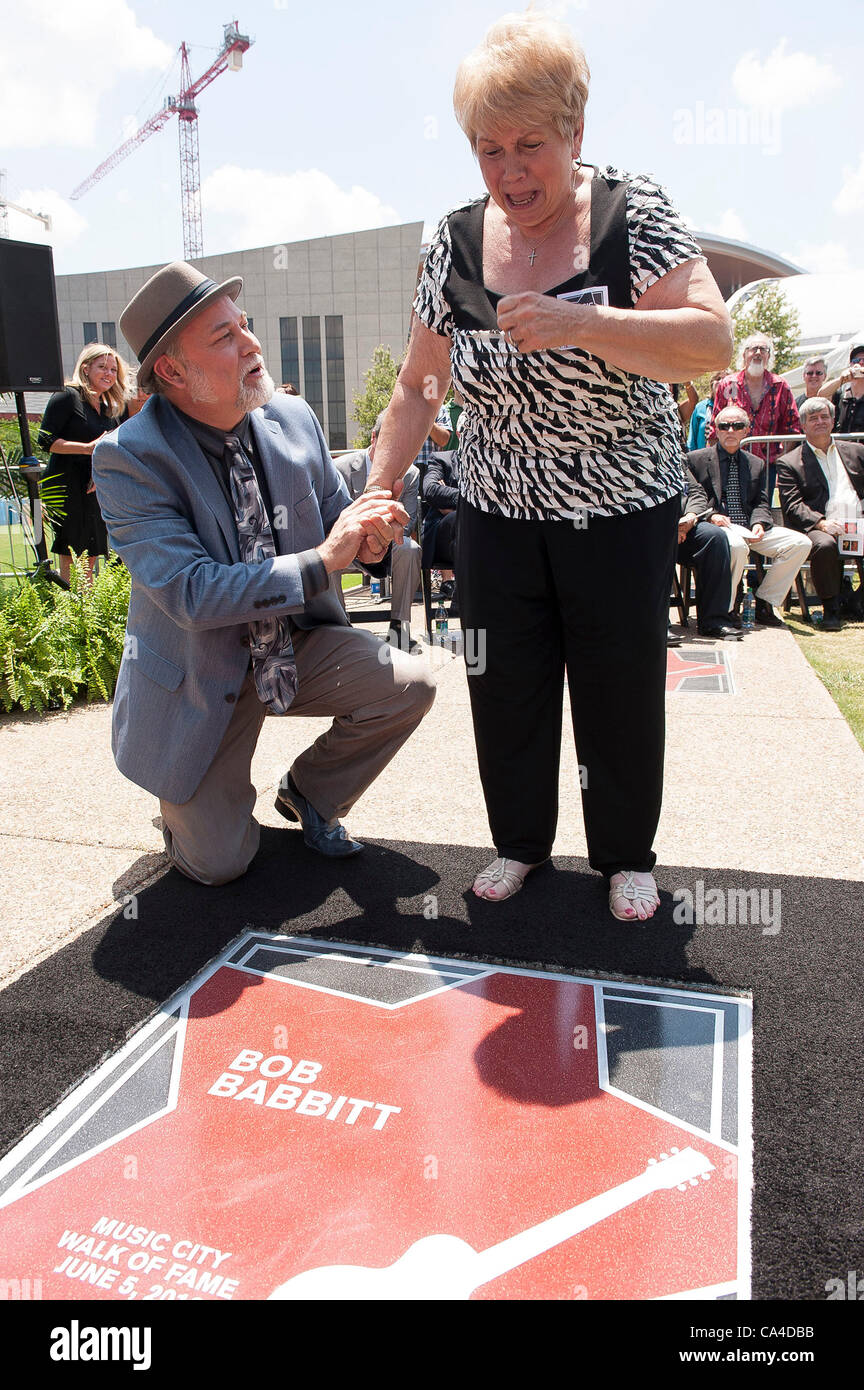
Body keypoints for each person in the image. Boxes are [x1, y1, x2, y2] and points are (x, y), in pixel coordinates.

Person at [365, 11, 732, 921]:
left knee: (617, 685)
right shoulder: (448, 242)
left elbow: (712, 341)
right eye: (488, 148)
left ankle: (624, 856)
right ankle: (520, 845)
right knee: (506, 683)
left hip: (618, 504)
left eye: (531, 143)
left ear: (577, 131)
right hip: (495, 507)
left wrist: (584, 322)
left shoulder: (629, 212)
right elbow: (417, 387)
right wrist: (378, 487)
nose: (510, 170)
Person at [91, 261, 434, 884]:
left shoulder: (291, 419)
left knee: (412, 678)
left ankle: (311, 792)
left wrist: (372, 541)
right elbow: (193, 594)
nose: (252, 344)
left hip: (294, 646)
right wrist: (325, 557)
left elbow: (342, 529)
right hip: (204, 668)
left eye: (243, 326)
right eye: (224, 337)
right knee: (219, 865)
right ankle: (185, 819)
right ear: (171, 370)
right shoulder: (130, 459)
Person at [689, 405, 811, 628]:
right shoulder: (696, 459)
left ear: (747, 431)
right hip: (718, 526)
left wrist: (759, 524)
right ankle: (727, 608)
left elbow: (761, 502)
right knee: (736, 546)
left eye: (737, 426)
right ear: (716, 430)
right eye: (724, 426)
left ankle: (765, 602)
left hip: (748, 526)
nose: (731, 431)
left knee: (800, 543)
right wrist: (712, 516)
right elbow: (694, 496)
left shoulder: (756, 463)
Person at [38, 343, 130, 583]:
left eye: (113, 369)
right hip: (66, 484)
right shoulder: (67, 396)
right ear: (86, 368)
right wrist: (88, 449)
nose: (109, 374)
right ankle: (72, 607)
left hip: (94, 486)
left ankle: (84, 607)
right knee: (72, 547)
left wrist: (100, 475)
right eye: (102, 367)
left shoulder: (110, 408)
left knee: (92, 548)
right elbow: (46, 440)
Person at [333, 410, 423, 652]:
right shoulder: (340, 468)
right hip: (351, 544)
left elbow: (410, 522)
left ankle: (399, 628)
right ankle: (341, 629)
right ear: (373, 438)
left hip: (390, 542)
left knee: (411, 549)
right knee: (328, 558)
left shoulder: (411, 474)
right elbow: (332, 518)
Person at [778, 397, 864, 630]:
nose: (820, 422)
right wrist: (821, 523)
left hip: (858, 522)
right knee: (824, 545)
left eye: (824, 416)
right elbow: (793, 505)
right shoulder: (789, 462)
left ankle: (857, 601)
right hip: (818, 527)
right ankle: (831, 609)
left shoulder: (857, 451)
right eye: (813, 418)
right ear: (803, 425)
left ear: (833, 421)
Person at [708, 333, 800, 497]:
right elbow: (714, 426)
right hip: (731, 462)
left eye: (763, 349)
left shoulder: (781, 386)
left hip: (767, 466)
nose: (758, 352)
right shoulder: (728, 384)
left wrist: (781, 457)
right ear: (744, 355)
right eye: (753, 349)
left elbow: (793, 427)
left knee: (762, 511)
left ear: (769, 356)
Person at [676, 474, 739, 640]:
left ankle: (714, 622)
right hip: (655, 524)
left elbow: (697, 492)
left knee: (715, 537)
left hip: (686, 524)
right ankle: (658, 624)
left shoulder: (678, 458)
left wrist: (691, 516)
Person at [819, 343, 864, 437]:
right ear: (850, 364)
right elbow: (821, 394)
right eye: (856, 360)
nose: (860, 363)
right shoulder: (842, 392)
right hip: (843, 448)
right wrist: (841, 379)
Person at [687, 371, 730, 451]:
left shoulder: (734, 409)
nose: (721, 382)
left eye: (725, 379)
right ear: (712, 383)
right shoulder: (701, 408)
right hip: (702, 459)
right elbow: (692, 441)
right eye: (718, 379)